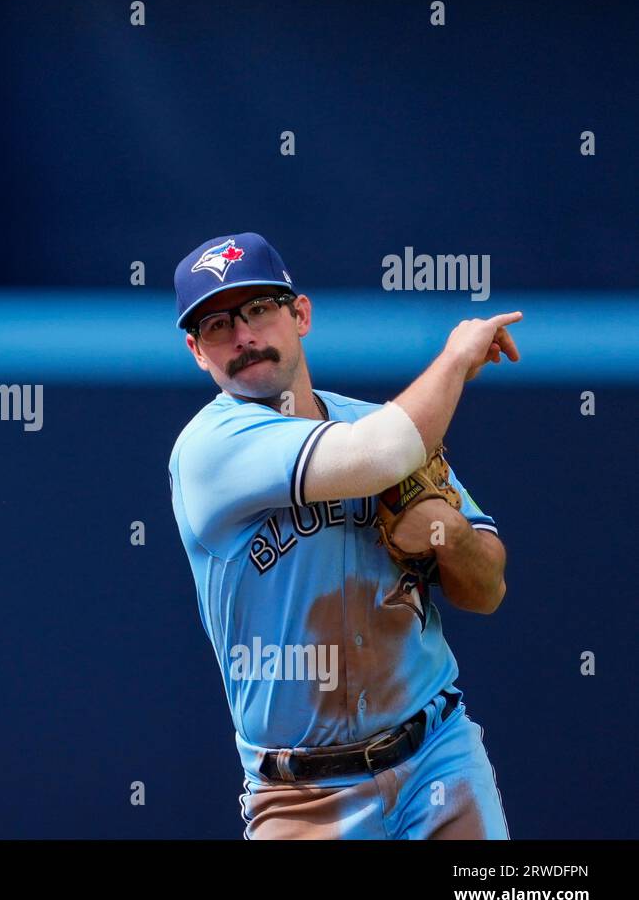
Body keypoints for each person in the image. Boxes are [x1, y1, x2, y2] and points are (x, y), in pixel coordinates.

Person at [167, 232, 521, 838]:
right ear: (198, 351)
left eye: (258, 309)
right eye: (218, 325)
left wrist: (444, 532)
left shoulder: (375, 421)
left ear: (299, 314)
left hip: (438, 751)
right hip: (303, 797)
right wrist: (458, 356)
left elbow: (487, 588)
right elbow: (381, 454)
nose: (244, 336)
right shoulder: (210, 449)